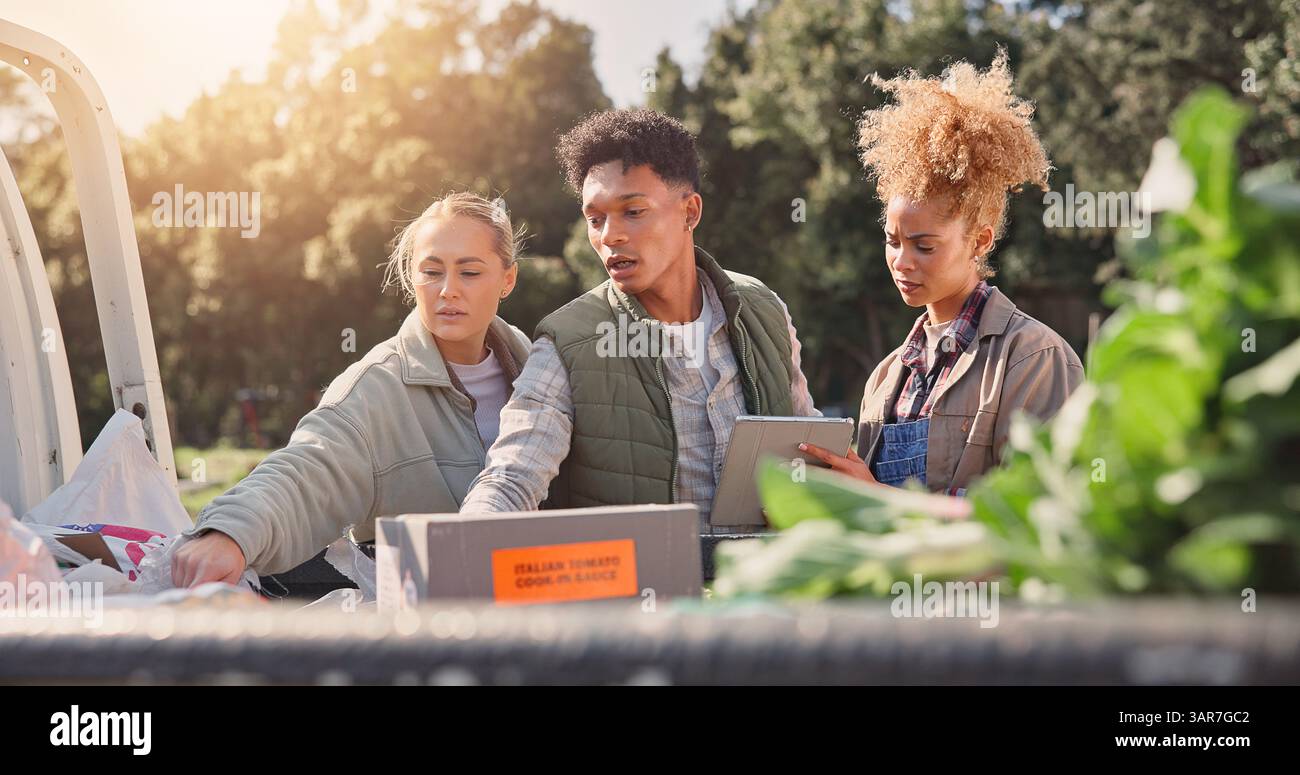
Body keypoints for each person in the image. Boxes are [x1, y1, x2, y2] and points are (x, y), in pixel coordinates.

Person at [459, 108, 818, 525]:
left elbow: (805, 443)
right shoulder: (569, 342)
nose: (609, 235)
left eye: (633, 211)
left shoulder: (763, 311)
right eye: (595, 219)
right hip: (640, 588)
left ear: (690, 212)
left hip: (768, 584)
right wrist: (467, 538)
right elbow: (512, 476)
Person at [172, 192, 531, 586]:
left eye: (470, 272)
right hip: (434, 631)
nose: (448, 290)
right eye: (431, 271)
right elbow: (308, 469)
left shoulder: (542, 370)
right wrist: (231, 532)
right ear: (412, 277)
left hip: (553, 616)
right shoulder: (375, 387)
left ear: (508, 280)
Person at [800, 51, 1083, 495]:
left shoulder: (1034, 357)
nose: (902, 261)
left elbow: (1035, 509)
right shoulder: (885, 376)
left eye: (924, 245)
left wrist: (878, 501)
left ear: (981, 241)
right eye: (893, 240)